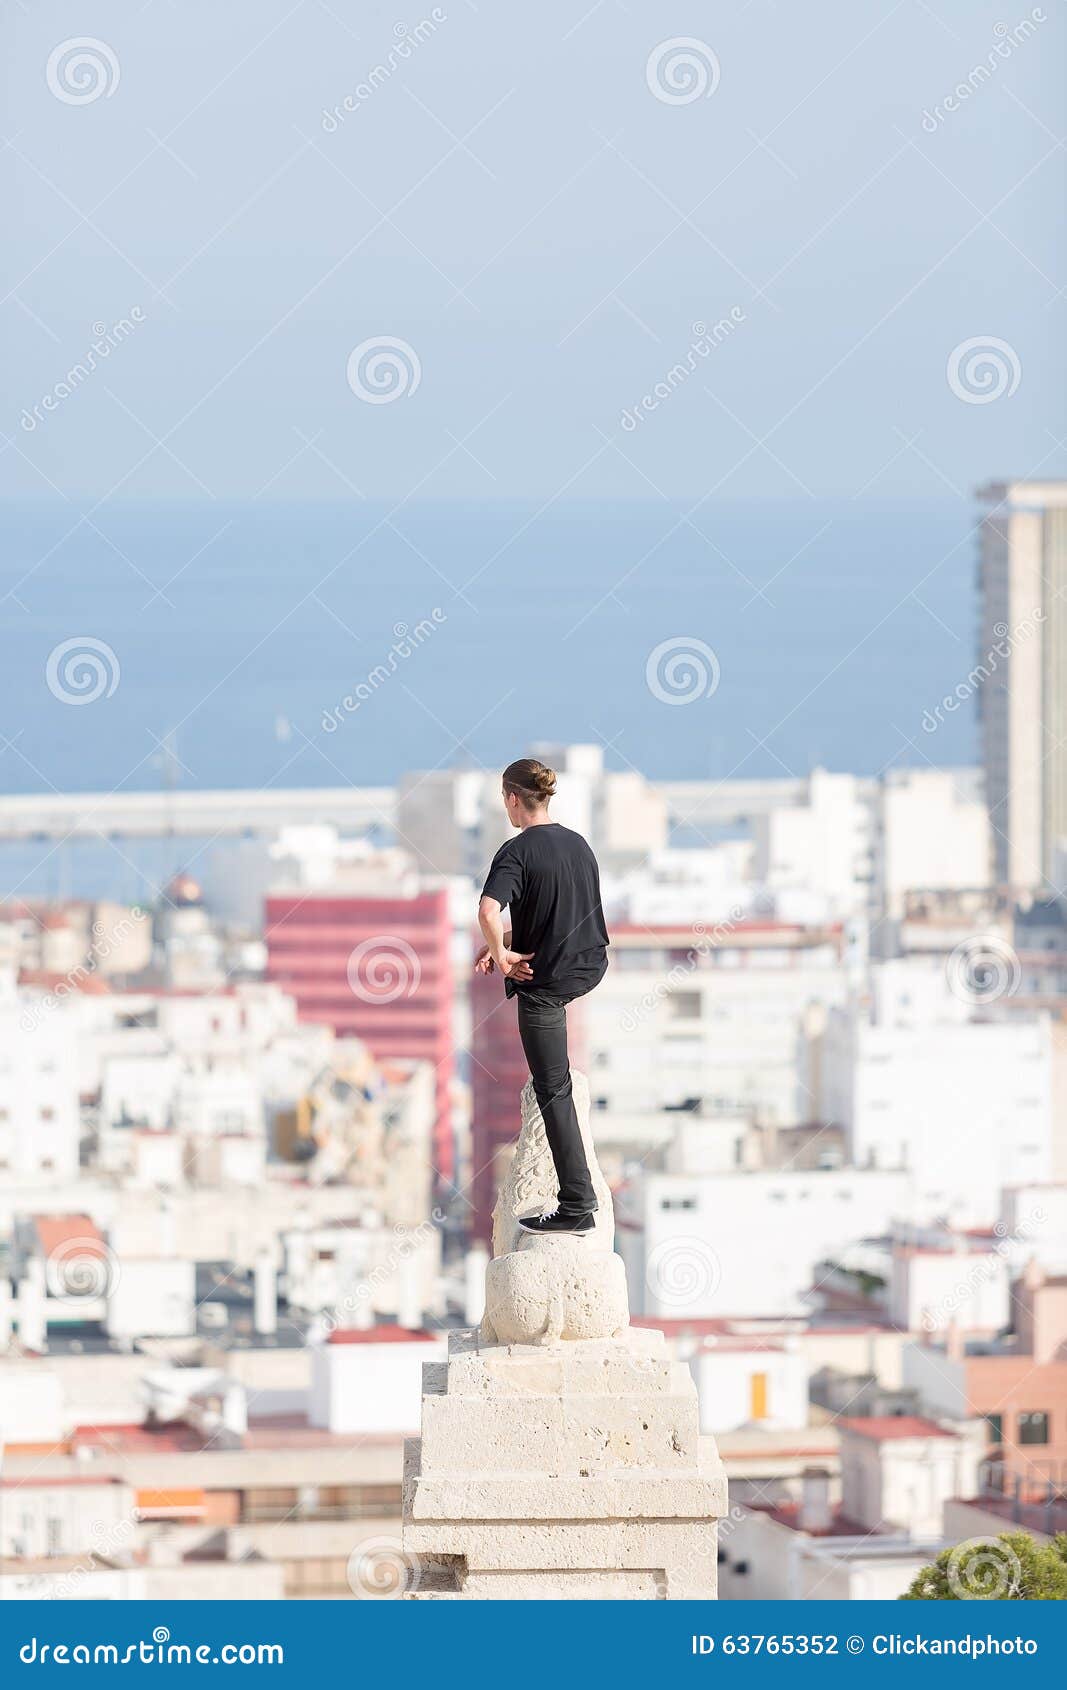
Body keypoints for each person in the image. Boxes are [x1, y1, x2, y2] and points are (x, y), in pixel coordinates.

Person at [475, 757, 610, 1235]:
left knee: (553, 1088)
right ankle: (578, 1196)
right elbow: (557, 912)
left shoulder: (516, 851)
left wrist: (502, 952)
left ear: (513, 798)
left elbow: (487, 909)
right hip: (589, 964)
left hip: (546, 981)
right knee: (556, 1075)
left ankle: (577, 1203)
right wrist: (503, 944)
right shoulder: (578, 844)